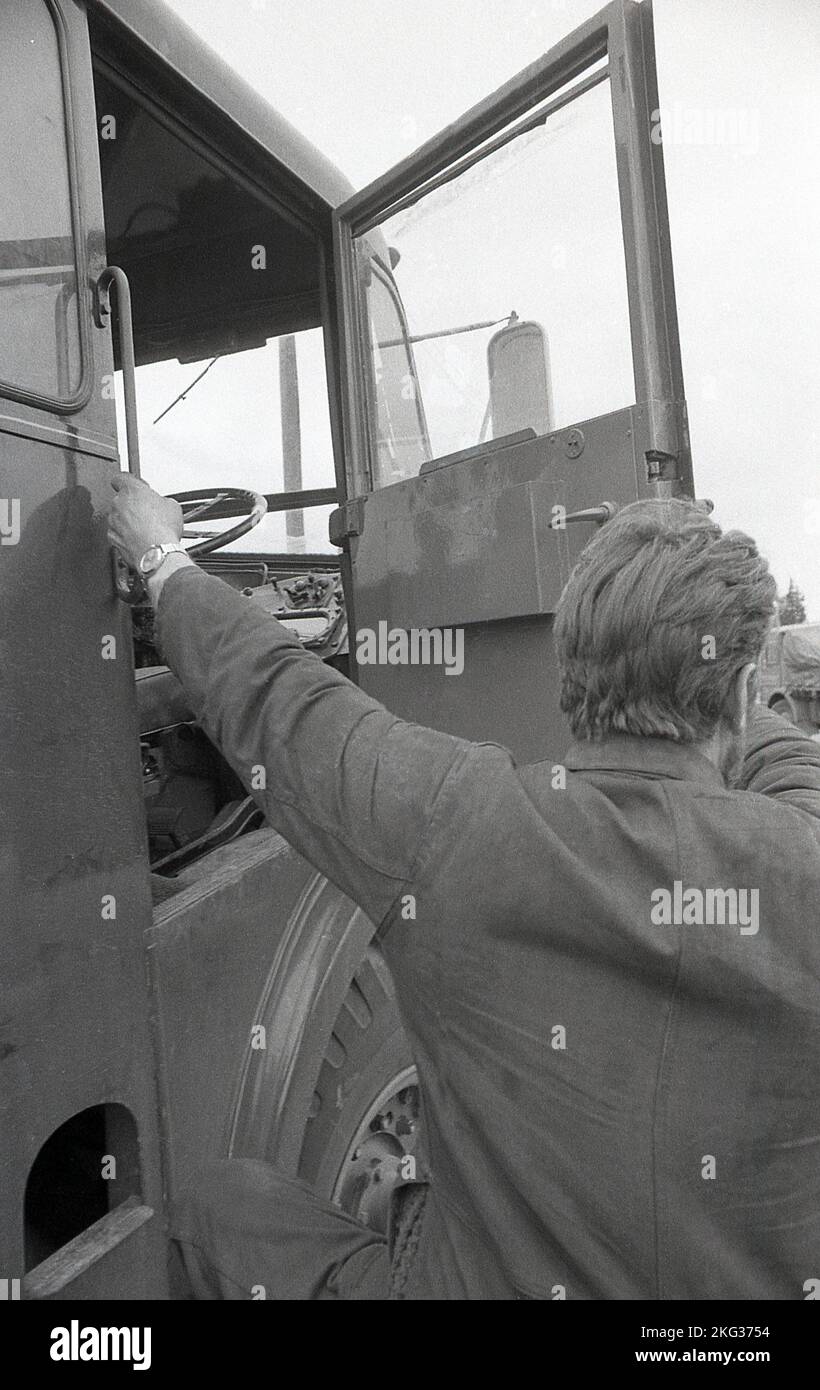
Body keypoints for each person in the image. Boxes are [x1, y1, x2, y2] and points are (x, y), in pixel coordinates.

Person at [108, 477, 820, 1300]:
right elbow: (789, 765)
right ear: (736, 694)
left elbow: (281, 703)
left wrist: (162, 561)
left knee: (210, 1208)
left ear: (569, 677)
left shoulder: (459, 824)